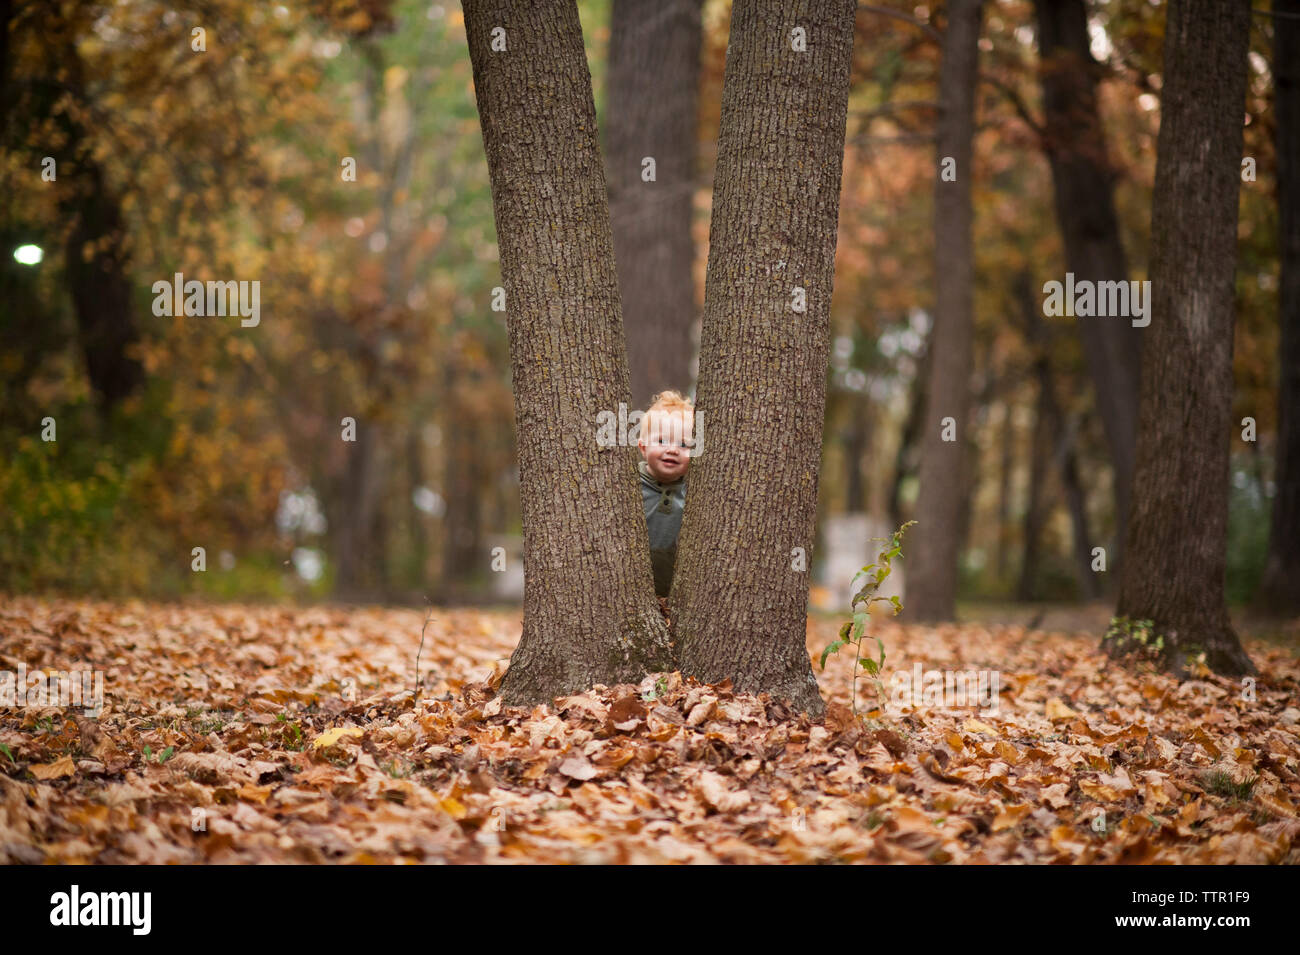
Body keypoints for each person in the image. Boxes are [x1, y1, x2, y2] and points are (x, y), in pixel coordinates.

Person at [636, 390, 695, 598]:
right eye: (661, 441)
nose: (672, 450)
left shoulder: (695, 494)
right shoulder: (631, 487)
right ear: (643, 447)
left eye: (683, 444)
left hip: (675, 596)